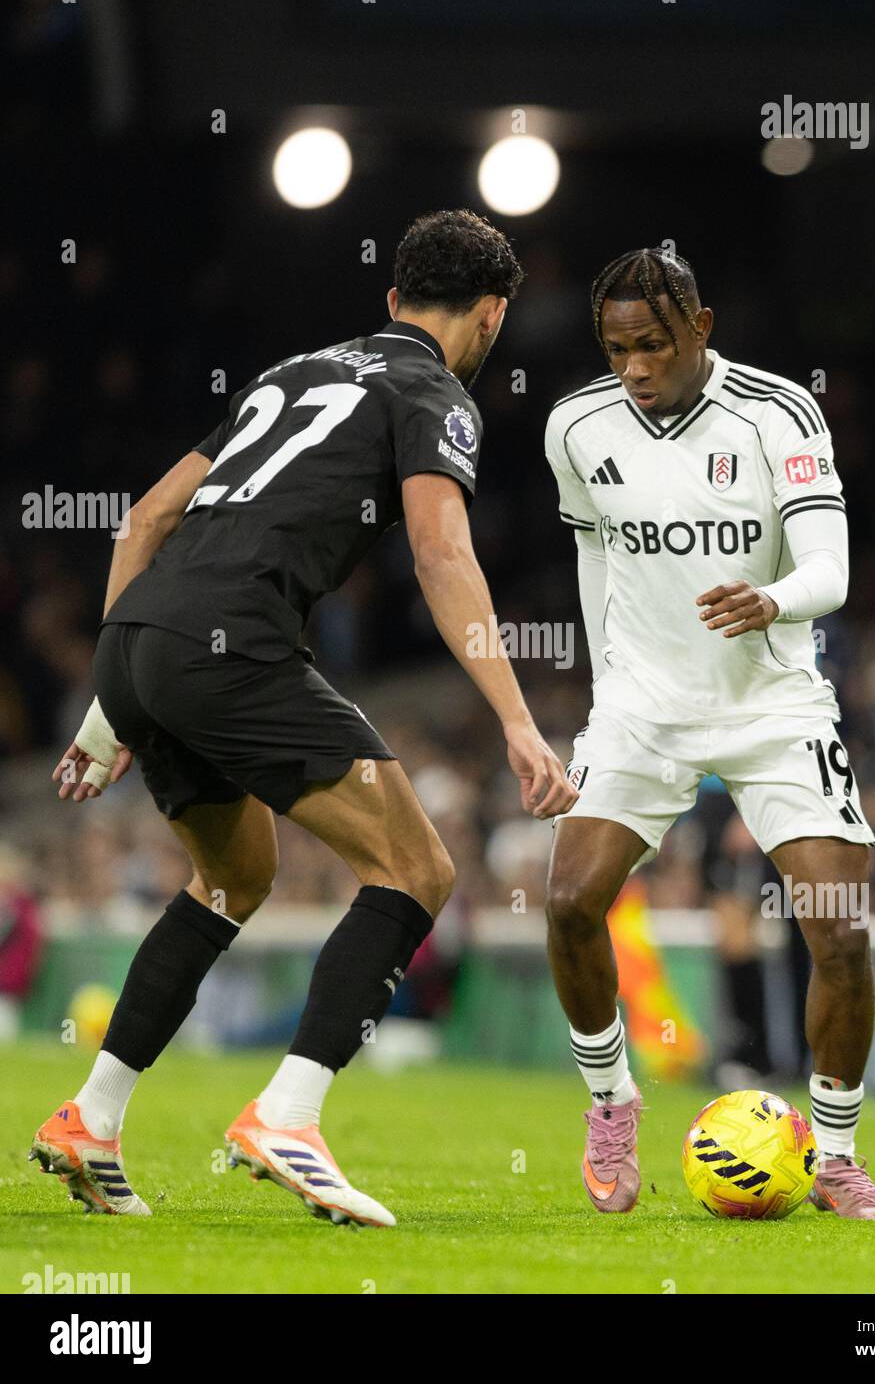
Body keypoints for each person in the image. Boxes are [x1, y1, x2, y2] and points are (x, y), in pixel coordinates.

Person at [30, 208, 577, 1227]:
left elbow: (145, 517)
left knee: (236, 876)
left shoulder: (288, 373)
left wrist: (112, 698)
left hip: (139, 636)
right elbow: (442, 553)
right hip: (229, 644)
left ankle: (91, 1118)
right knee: (418, 869)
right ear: (493, 312)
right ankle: (288, 1113)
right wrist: (516, 716)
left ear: (391, 299)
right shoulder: (433, 393)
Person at [544, 246, 875, 1220]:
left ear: (699, 327)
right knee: (570, 900)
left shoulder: (778, 413)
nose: (633, 368)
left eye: (652, 344)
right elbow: (590, 550)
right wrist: (604, 677)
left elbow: (829, 568)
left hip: (771, 703)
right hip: (642, 706)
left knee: (838, 926)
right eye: (615, 349)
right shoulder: (574, 426)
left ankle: (831, 1154)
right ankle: (612, 1105)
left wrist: (771, 598)